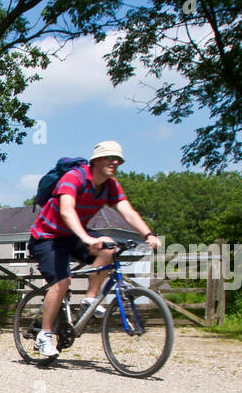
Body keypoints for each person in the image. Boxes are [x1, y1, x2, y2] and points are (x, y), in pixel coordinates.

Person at [27, 140, 161, 358]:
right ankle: (45, 334)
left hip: (74, 234)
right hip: (47, 236)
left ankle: (90, 299)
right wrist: (86, 238)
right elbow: (66, 211)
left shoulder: (110, 185)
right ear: (96, 160)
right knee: (62, 282)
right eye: (111, 158)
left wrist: (148, 234)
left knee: (109, 247)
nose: (115, 162)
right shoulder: (75, 177)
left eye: (118, 159)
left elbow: (128, 212)